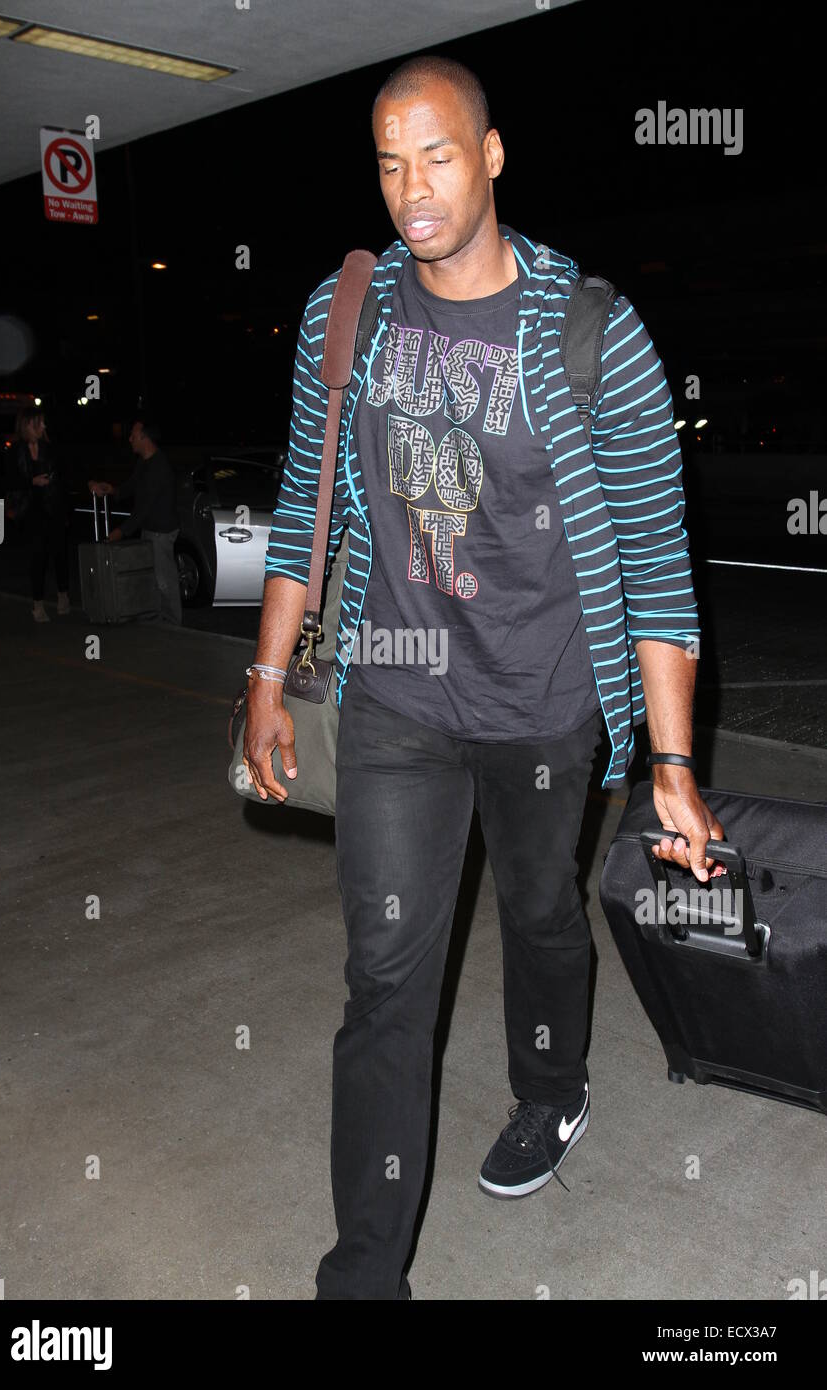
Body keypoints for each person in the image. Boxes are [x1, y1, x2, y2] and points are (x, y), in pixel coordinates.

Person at [243, 54, 727, 1301]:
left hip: (544, 703)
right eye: (390, 163)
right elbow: (302, 504)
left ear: (494, 153)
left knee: (539, 915)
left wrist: (670, 764)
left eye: (439, 155)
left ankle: (550, 1087)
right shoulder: (340, 311)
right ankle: (362, 1278)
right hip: (396, 697)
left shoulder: (589, 330)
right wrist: (264, 670)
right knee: (386, 978)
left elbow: (660, 570)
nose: (413, 187)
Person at [88, 417, 182, 625]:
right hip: (151, 528)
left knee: (164, 578)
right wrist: (112, 490)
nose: (129, 438)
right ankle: (159, 618)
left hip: (161, 531)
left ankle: (174, 624)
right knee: (153, 577)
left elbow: (143, 509)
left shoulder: (159, 467)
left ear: (145, 438)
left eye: (133, 435)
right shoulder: (145, 462)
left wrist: (120, 533)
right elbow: (132, 487)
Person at [7, 406, 71, 622]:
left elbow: (64, 475)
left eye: (43, 422)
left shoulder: (50, 448)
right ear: (27, 425)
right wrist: (31, 482)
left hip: (52, 506)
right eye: (38, 423)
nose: (43, 426)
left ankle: (63, 595)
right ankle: (38, 604)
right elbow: (9, 480)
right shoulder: (16, 450)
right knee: (38, 556)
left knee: (60, 552)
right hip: (31, 510)